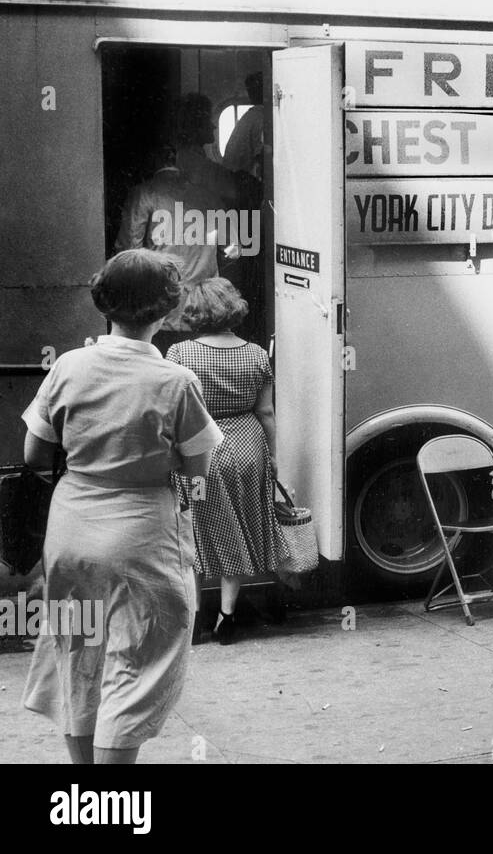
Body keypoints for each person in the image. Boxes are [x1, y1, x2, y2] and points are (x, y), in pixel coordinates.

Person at [20, 249, 222, 764]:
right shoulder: (175, 382)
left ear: (103, 303)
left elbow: (35, 453)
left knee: (78, 653)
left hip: (69, 532)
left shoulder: (68, 365)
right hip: (142, 538)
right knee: (137, 664)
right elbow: (199, 468)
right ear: (166, 309)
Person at [166, 278, 278, 646]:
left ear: (195, 311)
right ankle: (226, 617)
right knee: (238, 531)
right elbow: (266, 412)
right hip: (249, 448)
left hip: (201, 452)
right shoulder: (258, 354)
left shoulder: (180, 354)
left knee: (195, 533)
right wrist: (273, 457)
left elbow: (171, 413)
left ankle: (194, 620)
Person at [114, 140, 232, 356]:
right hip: (205, 304)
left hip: (161, 307)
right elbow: (231, 248)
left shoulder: (144, 194)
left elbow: (129, 250)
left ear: (152, 162)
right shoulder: (210, 196)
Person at [221, 73, 265, 178]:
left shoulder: (251, 116)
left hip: (233, 180)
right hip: (239, 183)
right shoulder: (261, 117)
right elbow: (262, 161)